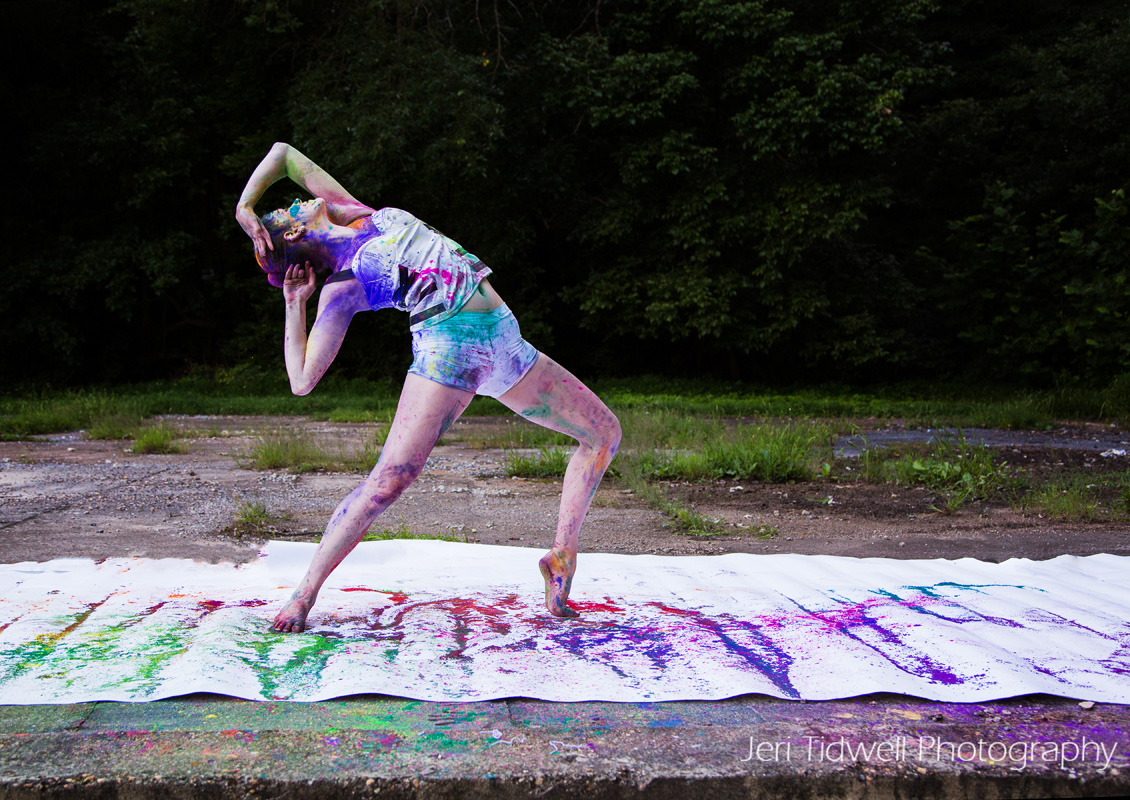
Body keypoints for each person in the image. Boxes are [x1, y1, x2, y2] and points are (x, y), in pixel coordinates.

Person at [235, 142, 621, 632]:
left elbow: (285, 155)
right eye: (285, 209)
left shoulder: (359, 214)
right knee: (388, 481)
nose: (295, 199)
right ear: (293, 231)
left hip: (507, 346)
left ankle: (562, 556)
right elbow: (302, 380)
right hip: (448, 351)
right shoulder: (342, 286)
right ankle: (302, 596)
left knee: (604, 434)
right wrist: (295, 302)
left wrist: (244, 208)